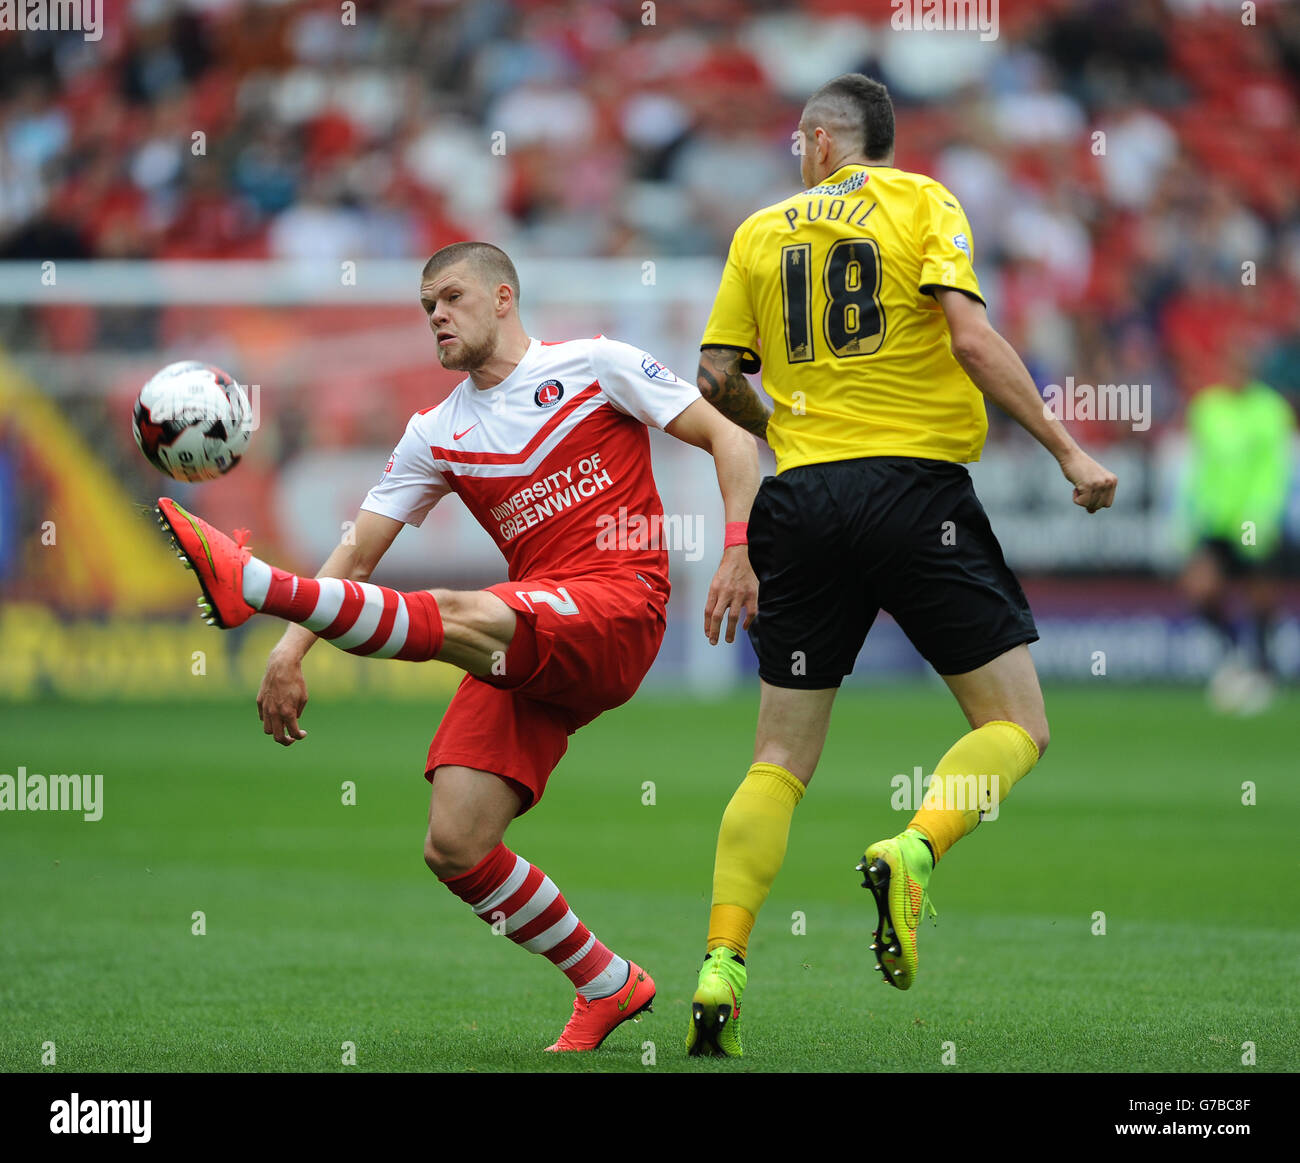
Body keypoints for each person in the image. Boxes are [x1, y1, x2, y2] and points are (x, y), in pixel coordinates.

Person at [156, 241, 759, 1053]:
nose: (435, 315)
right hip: (534, 629)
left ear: (503, 297)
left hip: (620, 603)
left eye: (450, 297)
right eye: (425, 305)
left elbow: (732, 439)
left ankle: (253, 584)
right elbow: (359, 550)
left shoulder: (595, 363)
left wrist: (736, 546)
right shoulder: (434, 432)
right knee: (456, 842)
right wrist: (288, 653)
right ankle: (607, 982)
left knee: (458, 607)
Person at [685, 74, 1118, 1057]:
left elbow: (715, 378)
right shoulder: (923, 202)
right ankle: (913, 844)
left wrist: (785, 434)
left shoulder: (759, 233)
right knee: (1016, 723)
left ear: (817, 140)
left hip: (800, 502)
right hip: (916, 492)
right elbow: (967, 334)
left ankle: (720, 967)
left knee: (777, 759)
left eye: (801, 143)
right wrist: (1064, 448)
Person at [1179, 357, 1294, 714]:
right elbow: (1199, 465)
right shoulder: (1207, 408)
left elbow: (1276, 466)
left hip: (1255, 520)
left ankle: (1264, 666)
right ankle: (1233, 655)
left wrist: (1265, 512)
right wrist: (1189, 515)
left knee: (1260, 596)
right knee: (1201, 588)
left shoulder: (1271, 410)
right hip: (1216, 522)